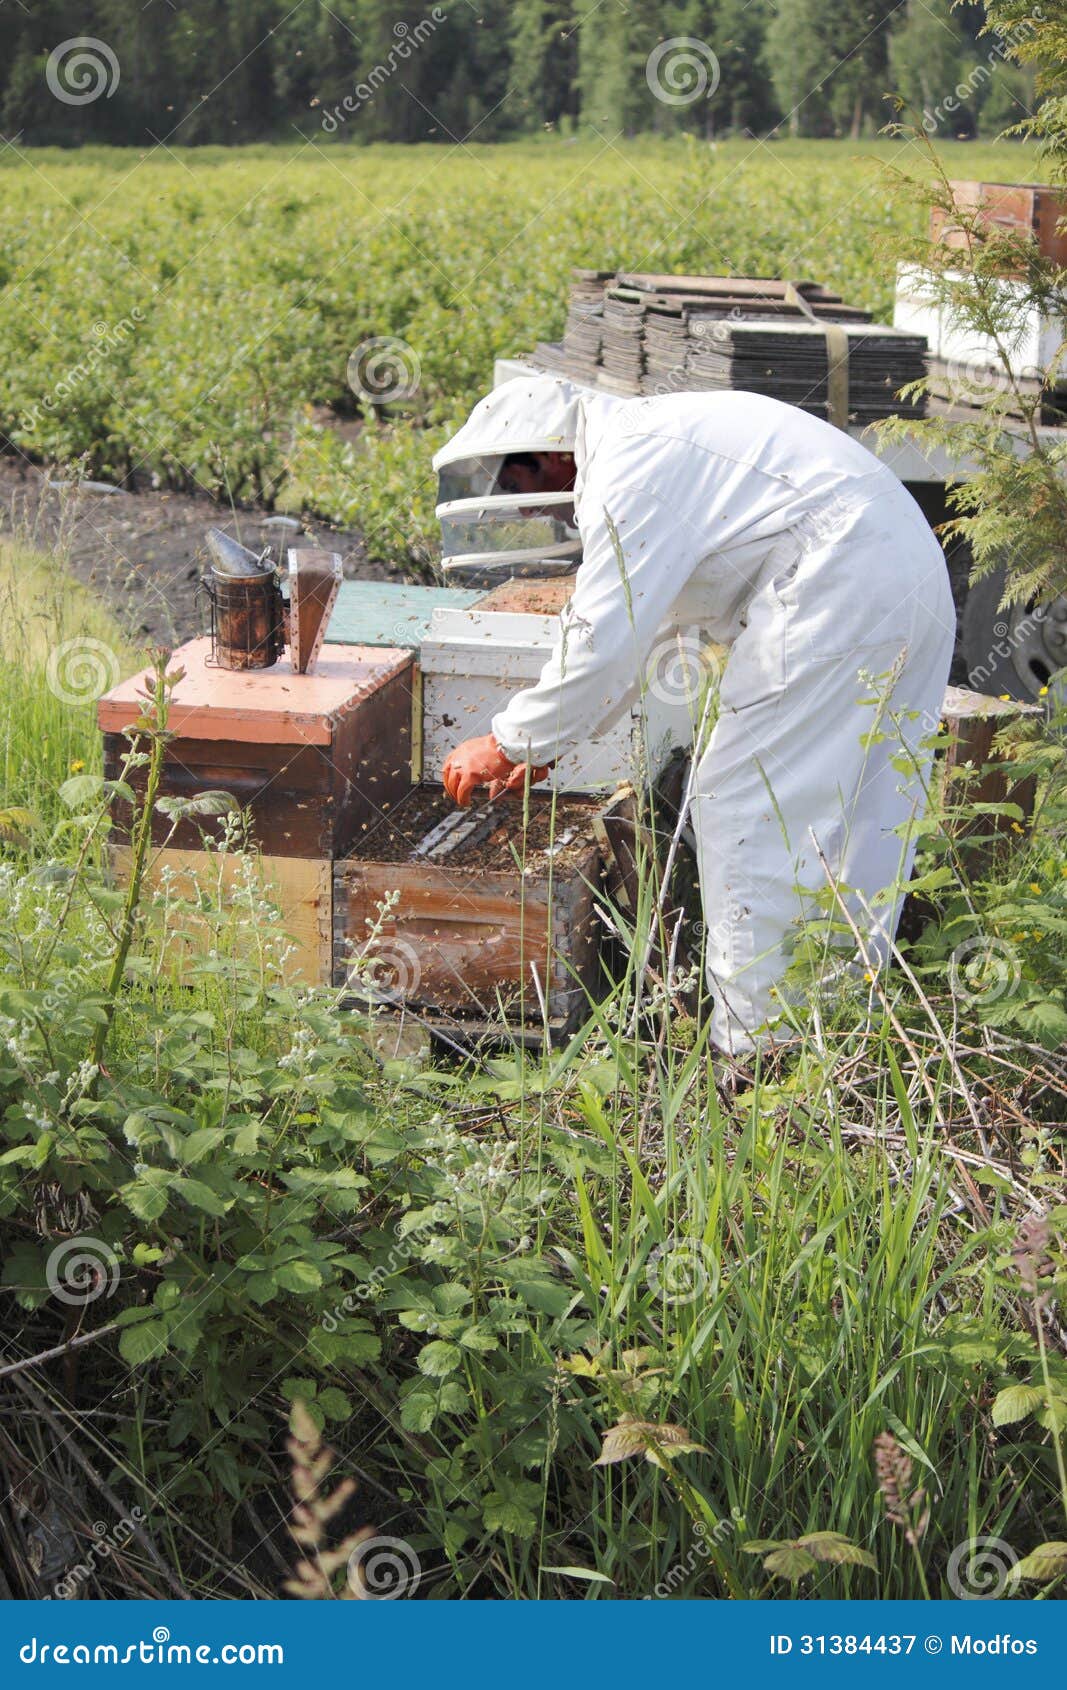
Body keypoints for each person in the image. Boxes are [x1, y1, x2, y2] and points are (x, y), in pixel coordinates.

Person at [437, 375, 955, 1052]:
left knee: (743, 800)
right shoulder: (656, 445)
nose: (548, 517)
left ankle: (756, 1051)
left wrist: (512, 741)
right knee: (859, 809)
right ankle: (840, 1033)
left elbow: (602, 633)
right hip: (894, 572)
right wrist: (553, 739)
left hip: (836, 584)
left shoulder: (631, 467)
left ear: (549, 456)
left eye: (520, 488)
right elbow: (647, 633)